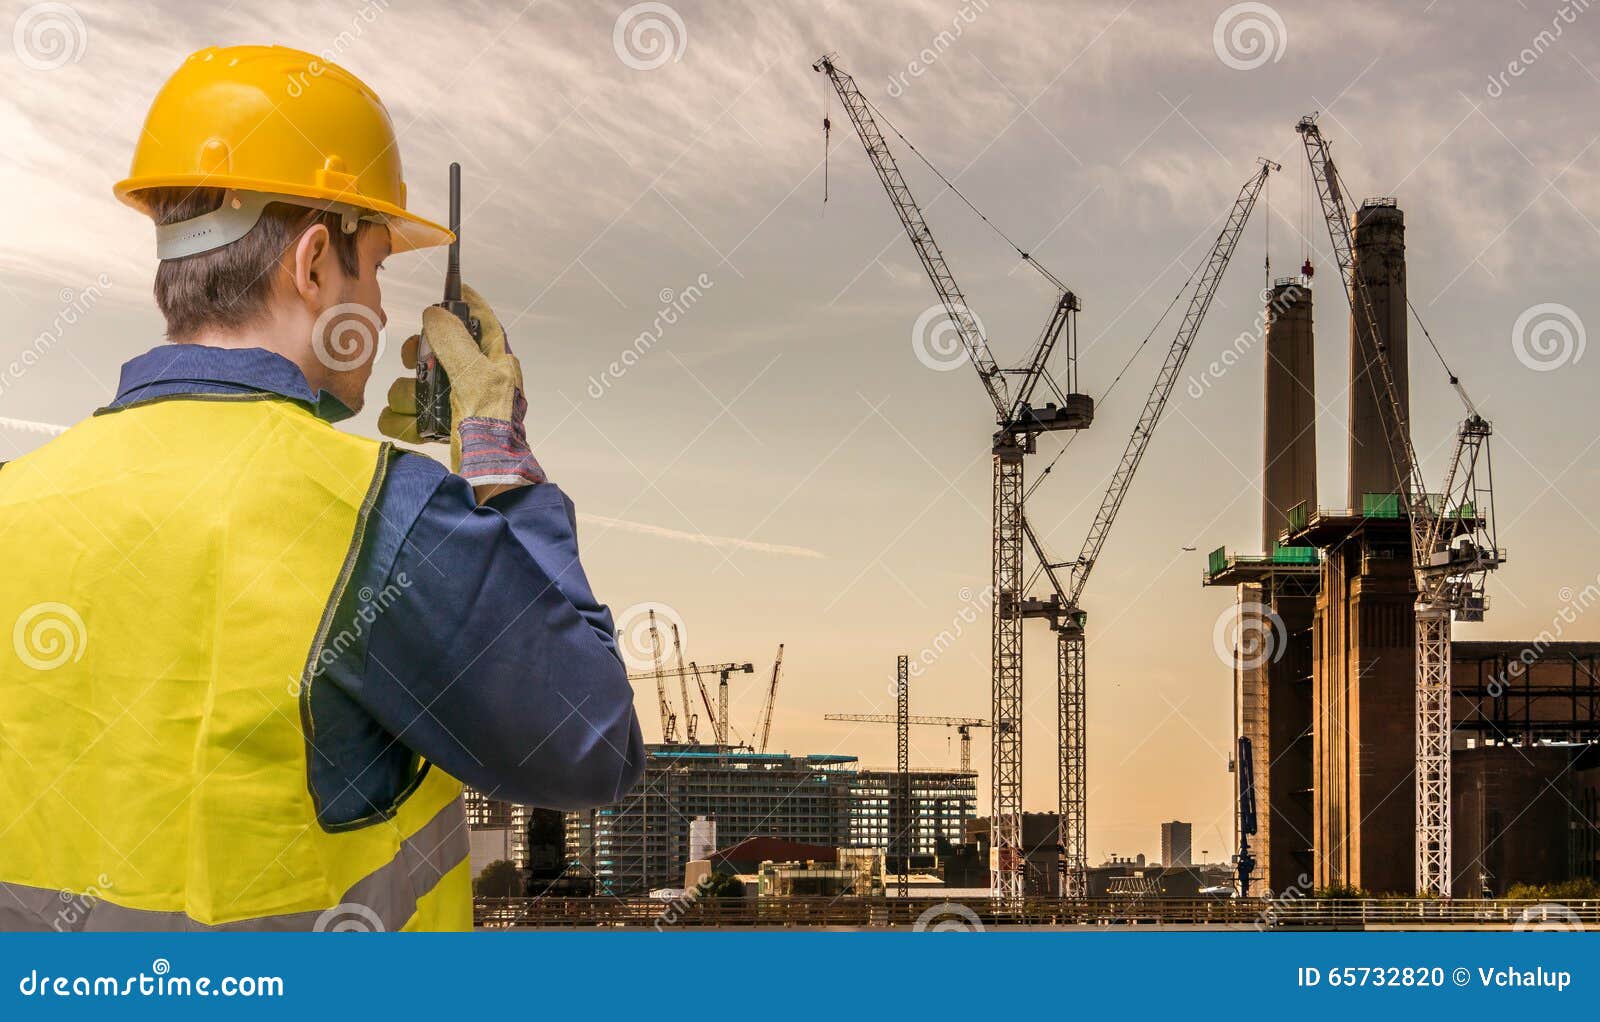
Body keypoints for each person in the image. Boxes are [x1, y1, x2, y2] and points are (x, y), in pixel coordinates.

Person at [0, 45, 643, 932]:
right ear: (311, 264)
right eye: (374, 266)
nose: (380, 309)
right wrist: (497, 462)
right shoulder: (382, 513)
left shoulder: (15, 501)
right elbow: (590, 743)